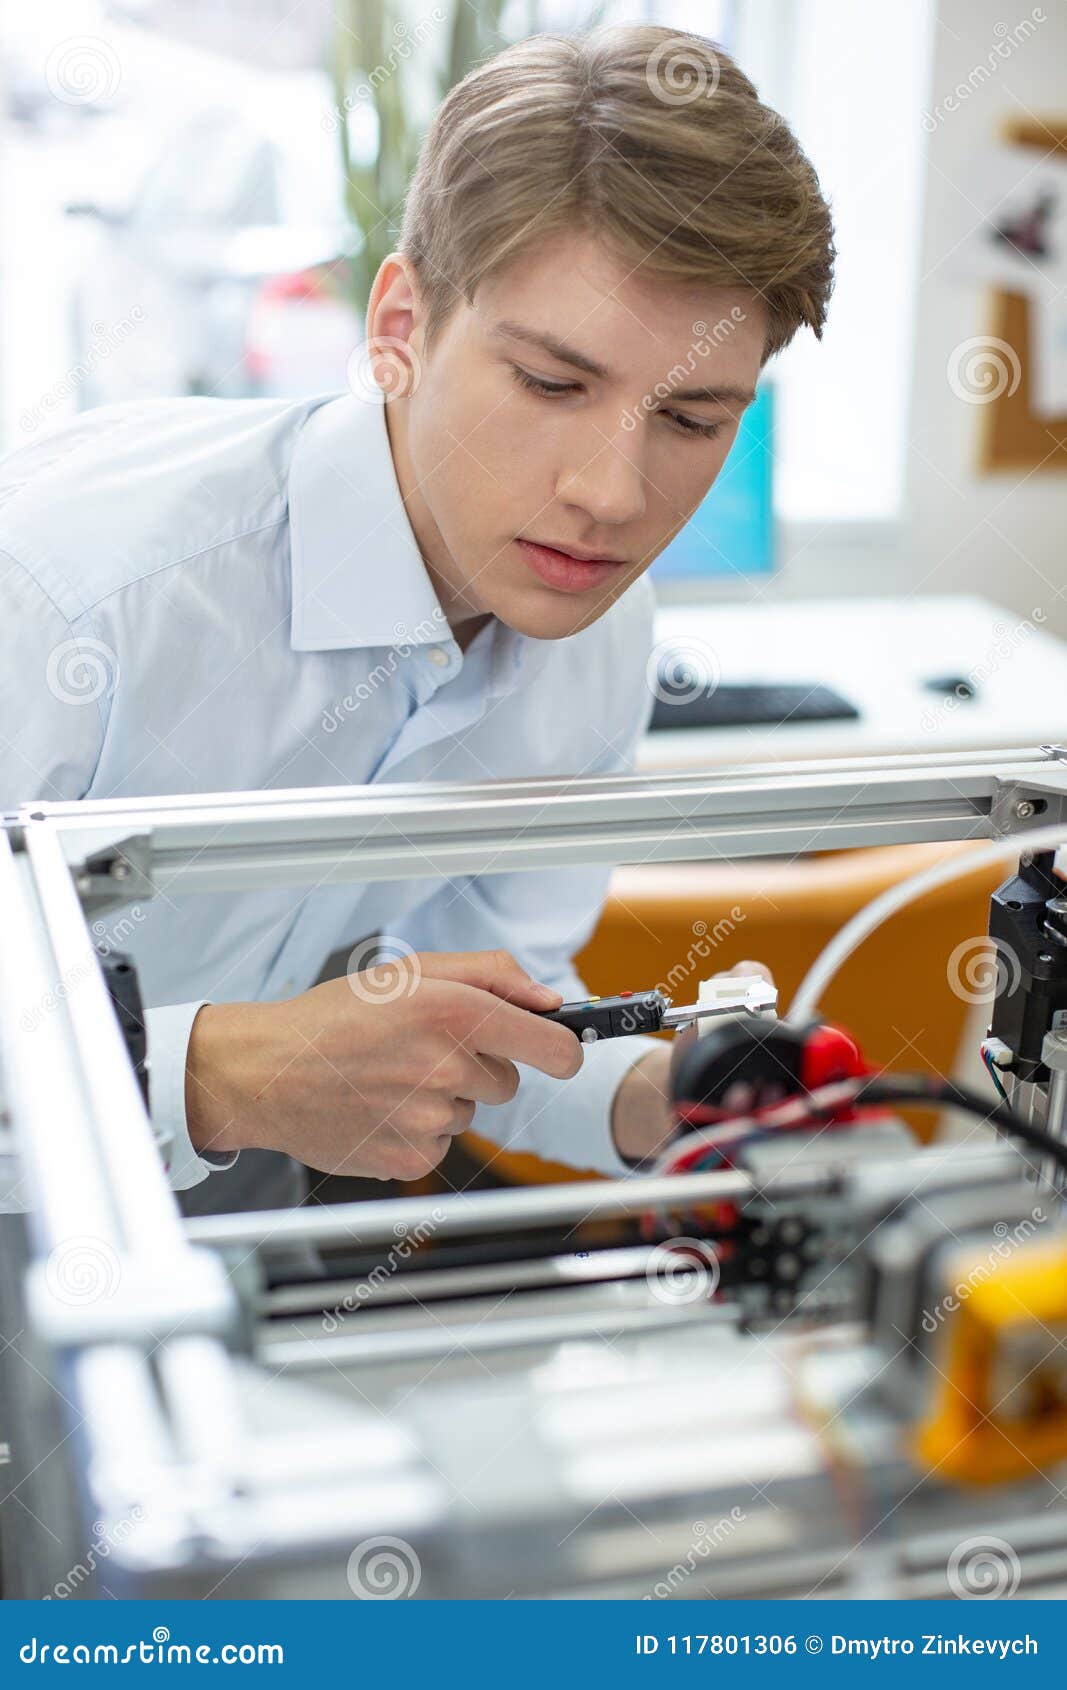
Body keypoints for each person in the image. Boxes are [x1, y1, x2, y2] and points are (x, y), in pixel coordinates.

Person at [0, 25, 834, 1221]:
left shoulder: (591, 626)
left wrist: (663, 1097)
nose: (609, 495)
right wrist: (209, 1074)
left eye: (693, 420)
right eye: (552, 385)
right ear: (398, 329)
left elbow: (482, 1025)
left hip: (205, 1241)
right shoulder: (75, 584)